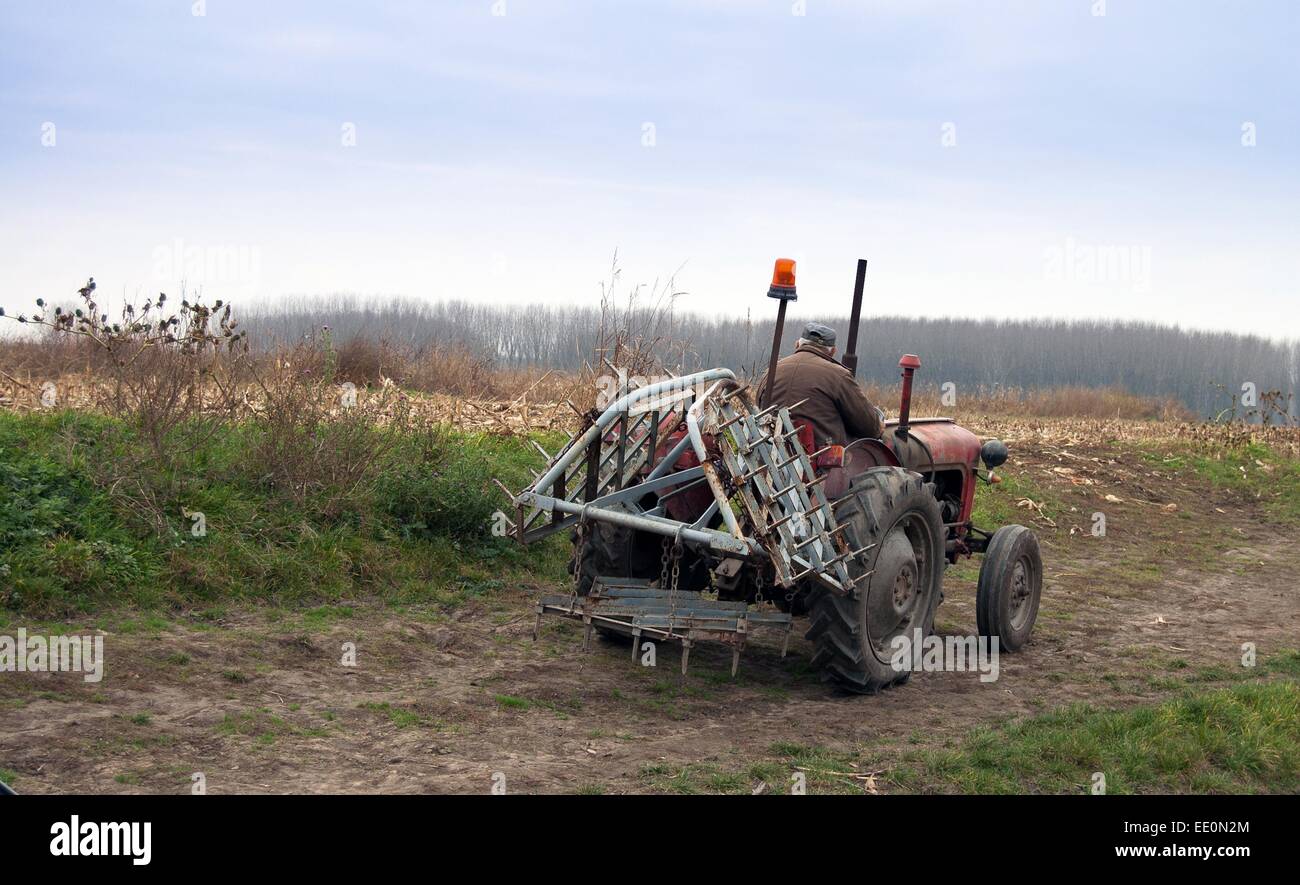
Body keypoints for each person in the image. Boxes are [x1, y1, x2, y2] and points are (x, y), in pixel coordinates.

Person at [759, 322, 884, 446]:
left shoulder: (771, 371)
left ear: (797, 344)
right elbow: (869, 428)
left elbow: (760, 409)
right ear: (833, 351)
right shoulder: (838, 375)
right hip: (821, 459)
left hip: (770, 451)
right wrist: (878, 425)